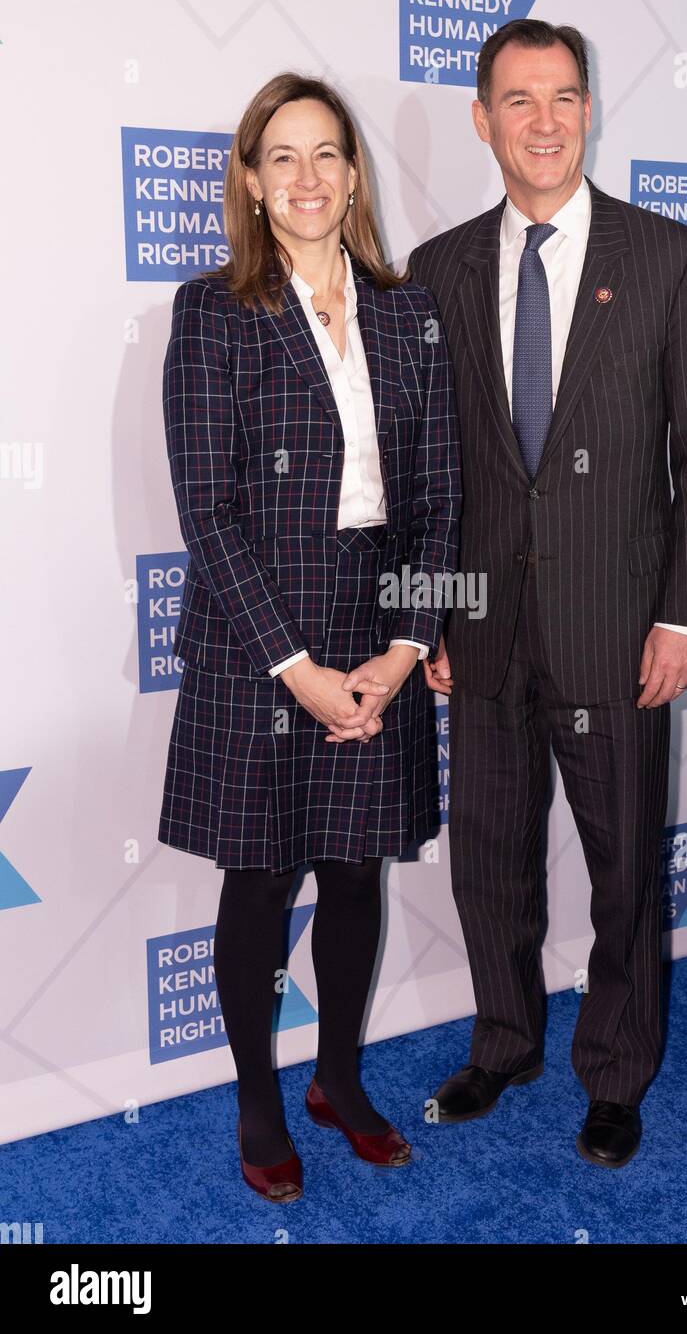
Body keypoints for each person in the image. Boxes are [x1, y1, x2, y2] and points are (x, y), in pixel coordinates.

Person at [408, 19, 687, 1168]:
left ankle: (614, 1070)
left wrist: (684, 612)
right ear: (480, 118)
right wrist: (431, 614)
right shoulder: (438, 268)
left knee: (623, 870)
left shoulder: (666, 258)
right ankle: (502, 1042)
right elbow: (429, 465)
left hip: (619, 632)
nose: (541, 121)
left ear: (587, 109)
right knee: (487, 858)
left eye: (561, 97)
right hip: (484, 635)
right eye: (516, 100)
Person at [157, 73, 460, 1201]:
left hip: (375, 627)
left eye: (326, 154)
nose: (306, 178)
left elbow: (438, 491)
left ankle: (337, 1077)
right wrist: (300, 669)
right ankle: (258, 1099)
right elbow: (208, 510)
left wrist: (399, 644)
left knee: (353, 870)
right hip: (260, 640)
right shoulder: (212, 310)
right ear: (248, 178)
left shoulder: (405, 308)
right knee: (261, 878)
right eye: (280, 157)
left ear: (352, 171)